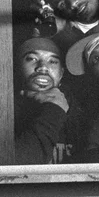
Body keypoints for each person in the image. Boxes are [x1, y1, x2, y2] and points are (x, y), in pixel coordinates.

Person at [12, 32, 76, 163]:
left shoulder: (79, 112)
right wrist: (54, 109)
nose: (43, 67)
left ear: (61, 74)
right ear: (18, 68)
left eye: (52, 61)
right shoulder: (5, 112)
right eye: (32, 59)